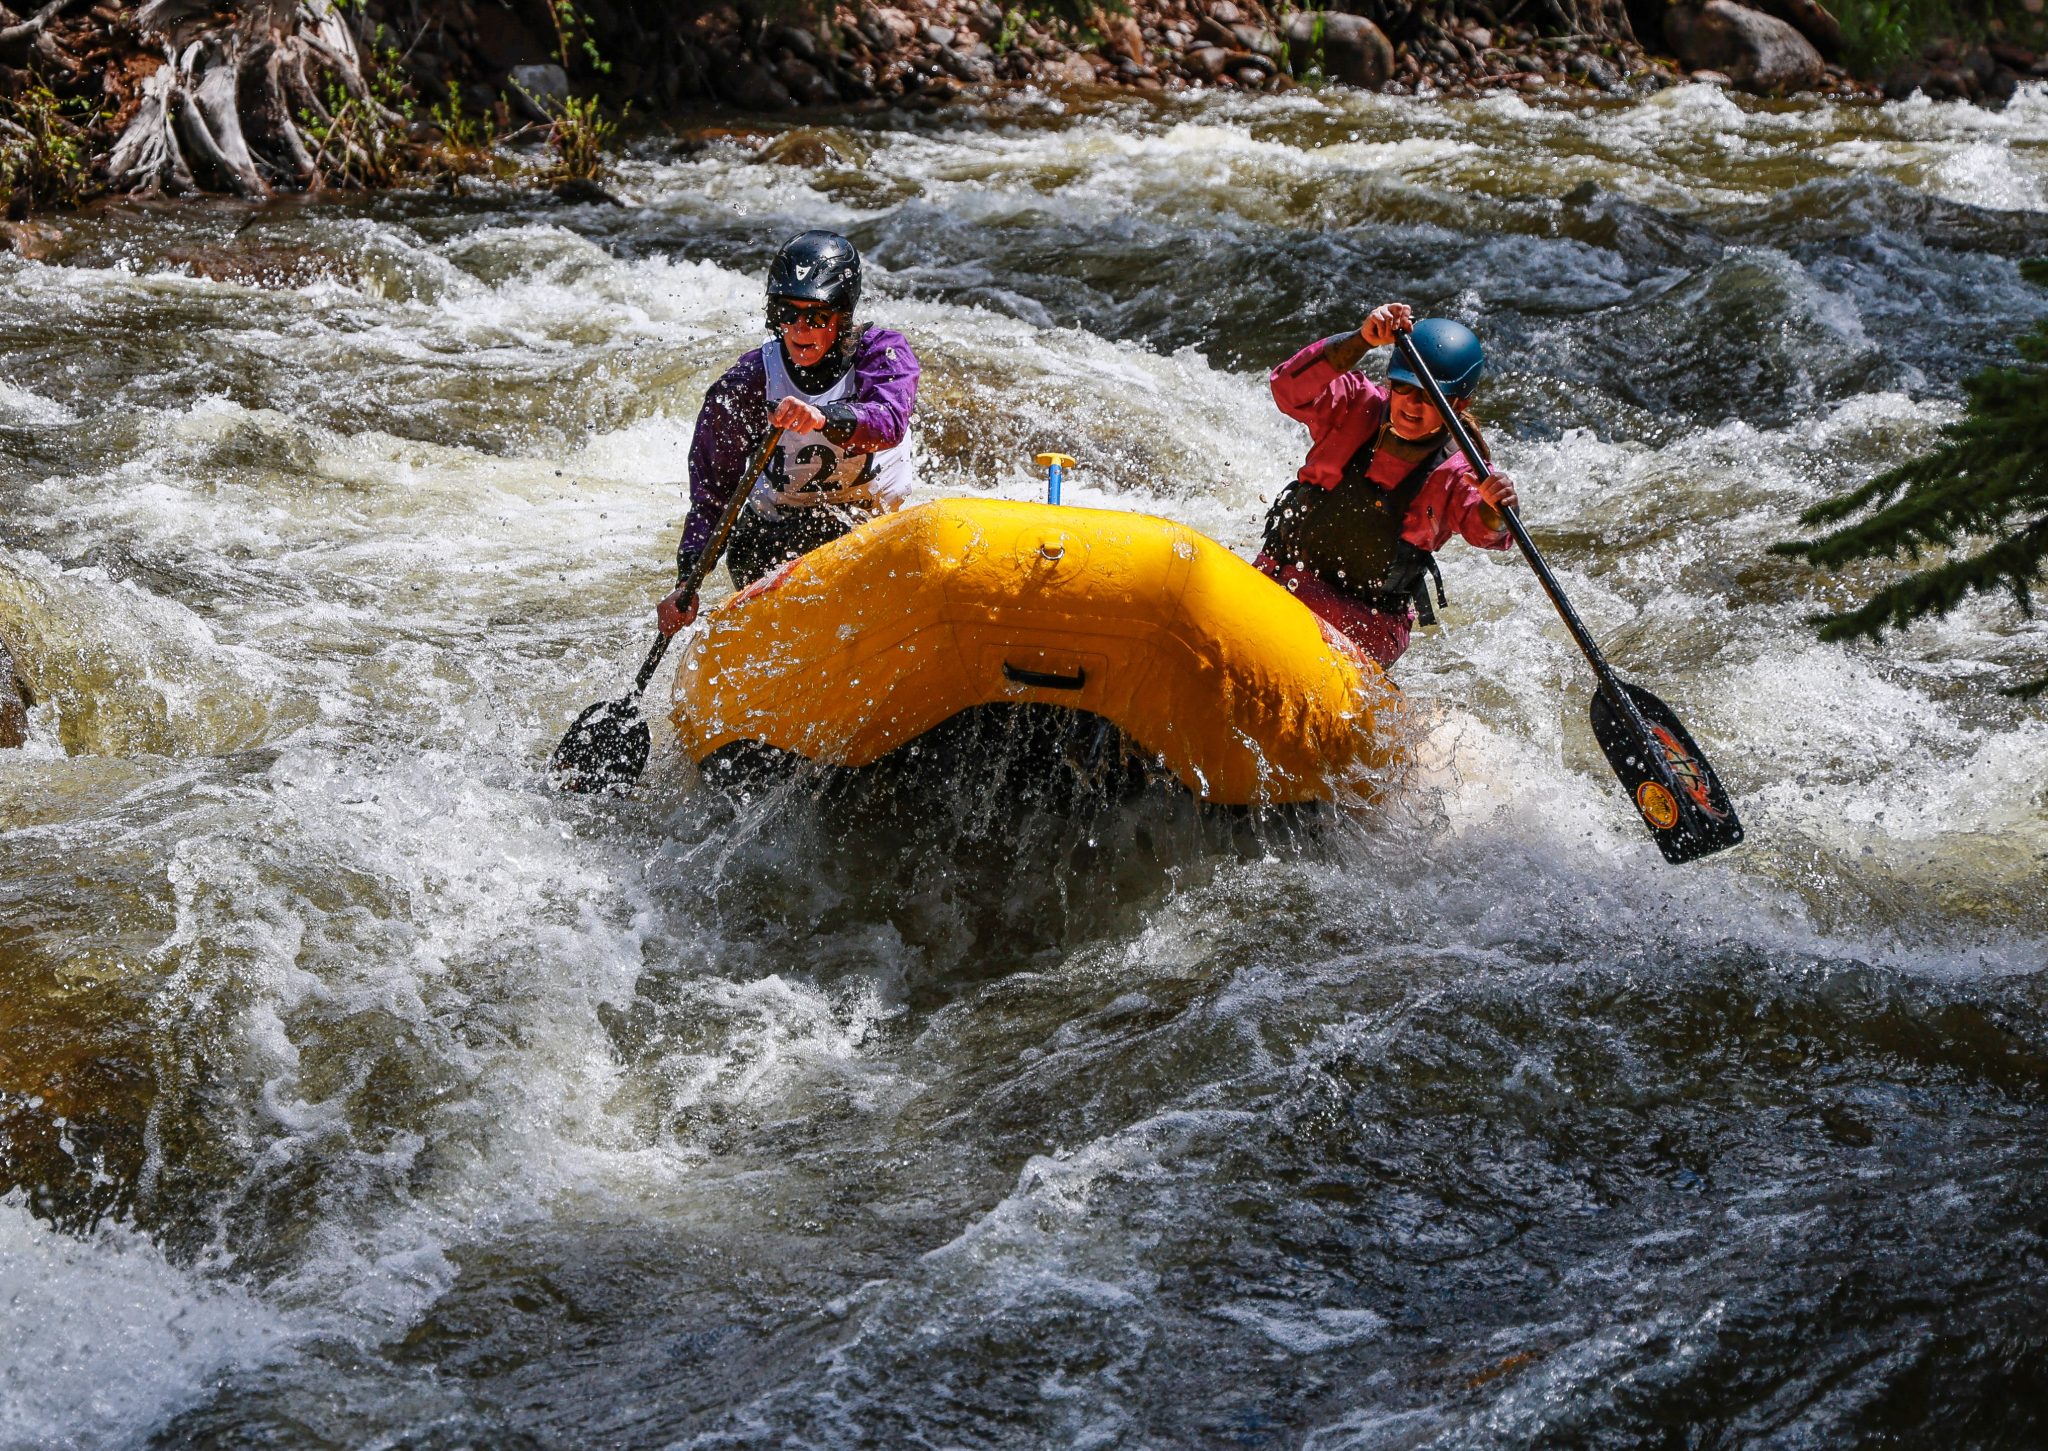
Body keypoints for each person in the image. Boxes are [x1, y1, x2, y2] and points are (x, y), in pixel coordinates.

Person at [658, 231, 920, 634]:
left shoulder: (882, 353)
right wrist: (687, 579)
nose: (799, 329)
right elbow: (713, 493)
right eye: (786, 312)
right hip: (778, 532)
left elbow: (888, 421)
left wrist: (822, 417)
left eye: (816, 316)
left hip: (870, 526)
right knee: (762, 543)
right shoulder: (747, 381)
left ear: (842, 314)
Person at [1257, 303, 1520, 668]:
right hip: (1282, 580)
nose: (1414, 404)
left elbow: (1490, 534)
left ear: (1460, 404)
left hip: (1363, 626)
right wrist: (1361, 340)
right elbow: (1287, 387)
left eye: (1431, 397)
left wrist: (1496, 509)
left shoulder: (1461, 472)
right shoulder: (1354, 404)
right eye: (1405, 388)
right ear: (1390, 384)